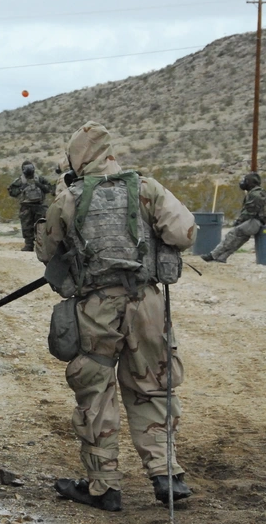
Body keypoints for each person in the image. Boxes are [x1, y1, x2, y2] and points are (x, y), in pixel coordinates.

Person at [35, 122, 196, 512]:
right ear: (110, 155)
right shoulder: (146, 187)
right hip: (146, 303)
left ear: (77, 159)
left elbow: (45, 251)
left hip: (97, 307)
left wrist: (58, 200)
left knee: (95, 390)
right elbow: (184, 232)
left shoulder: (71, 197)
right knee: (153, 386)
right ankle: (167, 477)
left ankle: (103, 486)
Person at [201, 172, 265, 263]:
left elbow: (250, 212)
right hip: (257, 222)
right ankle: (222, 257)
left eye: (245, 181)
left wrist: (239, 221)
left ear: (250, 182)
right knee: (239, 240)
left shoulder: (255, 194)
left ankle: (213, 255)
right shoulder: (259, 192)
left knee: (232, 235)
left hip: (254, 221)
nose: (243, 183)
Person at [8, 160, 54, 251]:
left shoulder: (39, 179)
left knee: (42, 226)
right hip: (26, 206)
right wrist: (21, 188)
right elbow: (12, 191)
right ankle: (29, 245)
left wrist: (40, 185)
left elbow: (49, 189)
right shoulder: (20, 181)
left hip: (39, 205)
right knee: (27, 227)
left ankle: (42, 245)